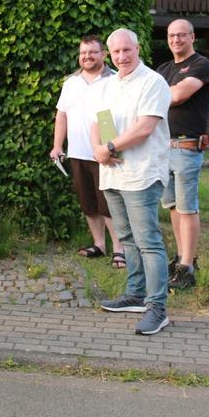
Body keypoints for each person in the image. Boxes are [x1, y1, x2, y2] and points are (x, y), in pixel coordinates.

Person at [92, 28, 173, 336]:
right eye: (116, 52)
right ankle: (136, 294)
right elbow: (100, 123)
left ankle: (157, 308)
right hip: (112, 172)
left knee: (148, 241)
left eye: (127, 50)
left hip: (141, 173)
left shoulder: (153, 82)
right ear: (109, 55)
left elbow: (145, 128)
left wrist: (109, 148)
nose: (122, 56)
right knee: (126, 237)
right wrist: (102, 150)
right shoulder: (108, 84)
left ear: (138, 49)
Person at [49, 35, 121, 267]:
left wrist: (107, 148)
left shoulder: (114, 80)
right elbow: (62, 115)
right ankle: (99, 244)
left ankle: (120, 249)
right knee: (88, 202)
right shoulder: (71, 82)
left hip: (101, 152)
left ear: (103, 55)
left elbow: (110, 115)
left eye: (92, 52)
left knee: (107, 203)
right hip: (77, 152)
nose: (87, 56)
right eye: (83, 53)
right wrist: (57, 146)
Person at [155, 19, 209, 290]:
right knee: (173, 208)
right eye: (171, 35)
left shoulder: (202, 64)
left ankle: (188, 267)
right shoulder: (164, 69)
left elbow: (178, 95)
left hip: (186, 147)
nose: (176, 40)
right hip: (163, 147)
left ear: (192, 37)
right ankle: (180, 258)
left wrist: (153, 94)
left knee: (187, 208)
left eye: (181, 35)